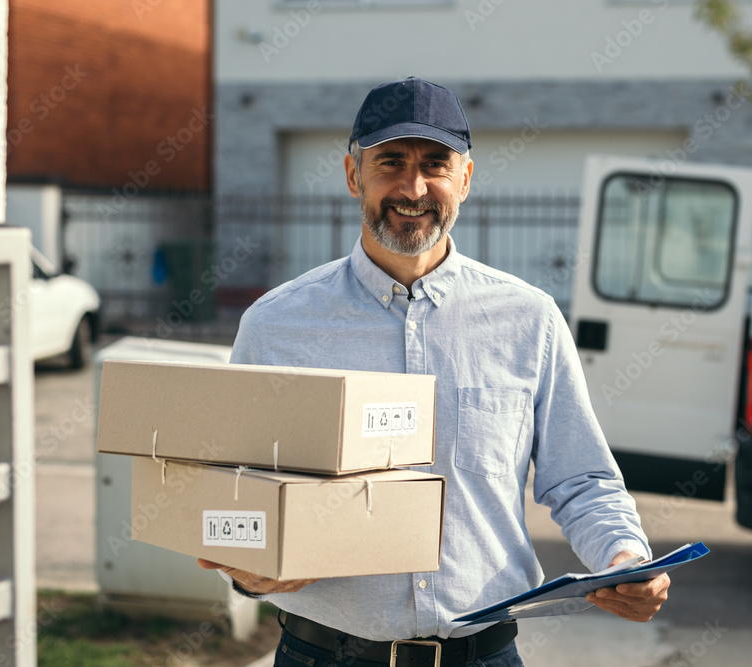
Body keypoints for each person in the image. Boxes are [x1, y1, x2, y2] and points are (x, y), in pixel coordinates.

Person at [199, 77, 670, 667]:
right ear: (353, 176)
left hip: (484, 656)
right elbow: (239, 491)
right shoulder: (276, 326)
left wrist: (624, 557)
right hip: (325, 654)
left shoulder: (529, 320)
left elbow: (580, 479)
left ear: (465, 180)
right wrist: (252, 574)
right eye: (390, 162)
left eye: (435, 165)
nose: (413, 187)